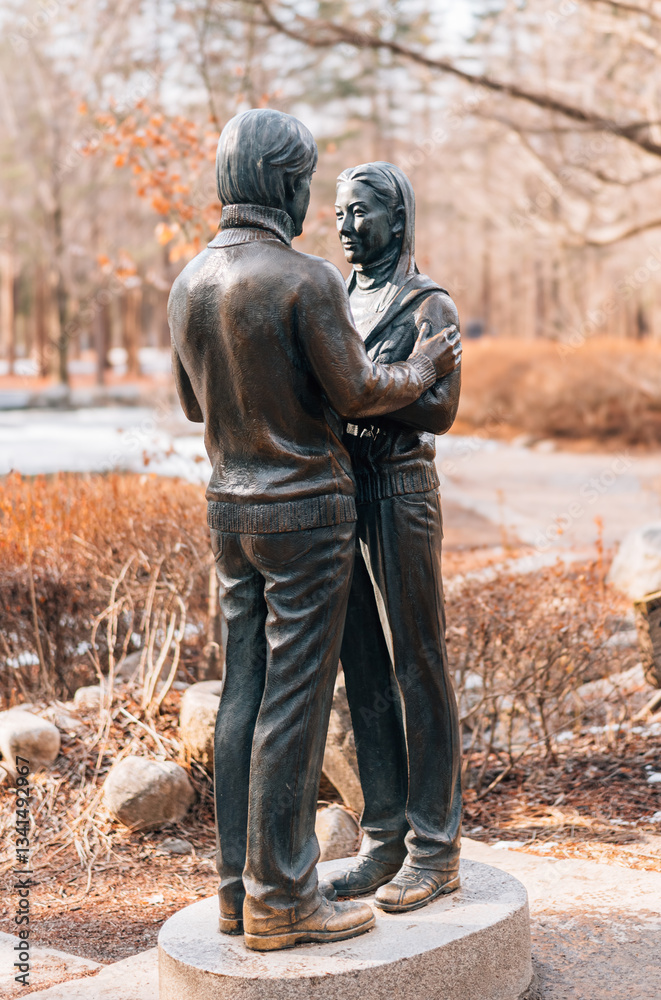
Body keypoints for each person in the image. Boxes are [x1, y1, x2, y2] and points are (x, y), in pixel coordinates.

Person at [168, 112, 459, 950]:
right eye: (316, 192)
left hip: (237, 510)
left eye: (358, 208)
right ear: (284, 182)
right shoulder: (306, 279)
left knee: (247, 694)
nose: (330, 216)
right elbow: (358, 390)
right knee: (296, 699)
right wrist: (419, 366)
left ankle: (242, 889)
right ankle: (282, 897)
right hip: (306, 510)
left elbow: (193, 403)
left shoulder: (189, 281)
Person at [326, 161, 463, 913]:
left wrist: (364, 394)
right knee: (363, 668)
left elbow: (439, 411)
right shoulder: (335, 296)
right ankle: (383, 838)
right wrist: (393, 381)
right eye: (339, 213)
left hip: (402, 493)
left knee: (419, 661)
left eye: (359, 212)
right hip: (339, 494)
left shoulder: (427, 302)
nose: (345, 226)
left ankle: (435, 850)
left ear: (396, 218)